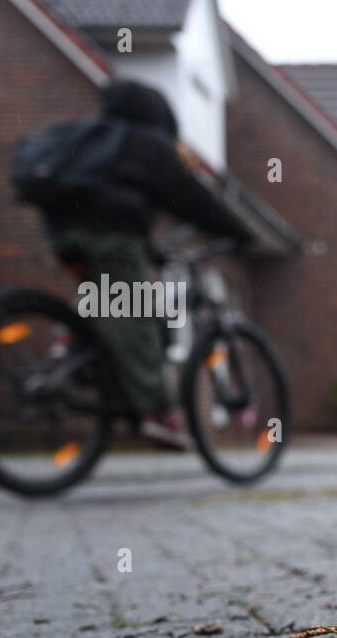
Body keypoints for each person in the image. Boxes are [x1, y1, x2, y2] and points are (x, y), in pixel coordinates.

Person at [26, 79, 253, 447]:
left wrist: (149, 249)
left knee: (104, 295)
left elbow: (107, 195)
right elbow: (189, 196)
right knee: (136, 315)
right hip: (110, 237)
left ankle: (72, 344)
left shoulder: (89, 139)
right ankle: (158, 413)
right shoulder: (143, 143)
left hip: (64, 234)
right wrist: (240, 232)